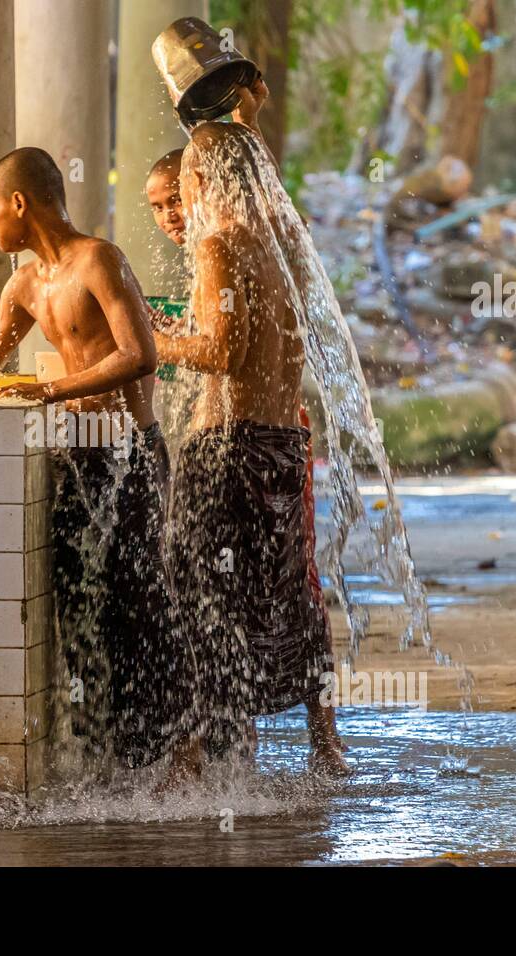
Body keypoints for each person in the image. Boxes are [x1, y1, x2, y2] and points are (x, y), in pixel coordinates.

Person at [0, 147, 193, 769]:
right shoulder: (25, 285)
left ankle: (179, 753)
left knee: (141, 599)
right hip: (80, 461)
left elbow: (140, 355)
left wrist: (49, 391)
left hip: (131, 452)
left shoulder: (99, 260)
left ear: (18, 204)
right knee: (80, 602)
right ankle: (109, 755)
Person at [154, 117, 350, 776]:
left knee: (199, 593)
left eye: (183, 184)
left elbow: (218, 351)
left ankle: (189, 760)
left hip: (227, 447)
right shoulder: (285, 245)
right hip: (283, 443)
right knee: (290, 593)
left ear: (203, 180)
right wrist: (249, 116)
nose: (182, 203)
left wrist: (150, 343)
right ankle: (326, 747)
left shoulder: (221, 246)